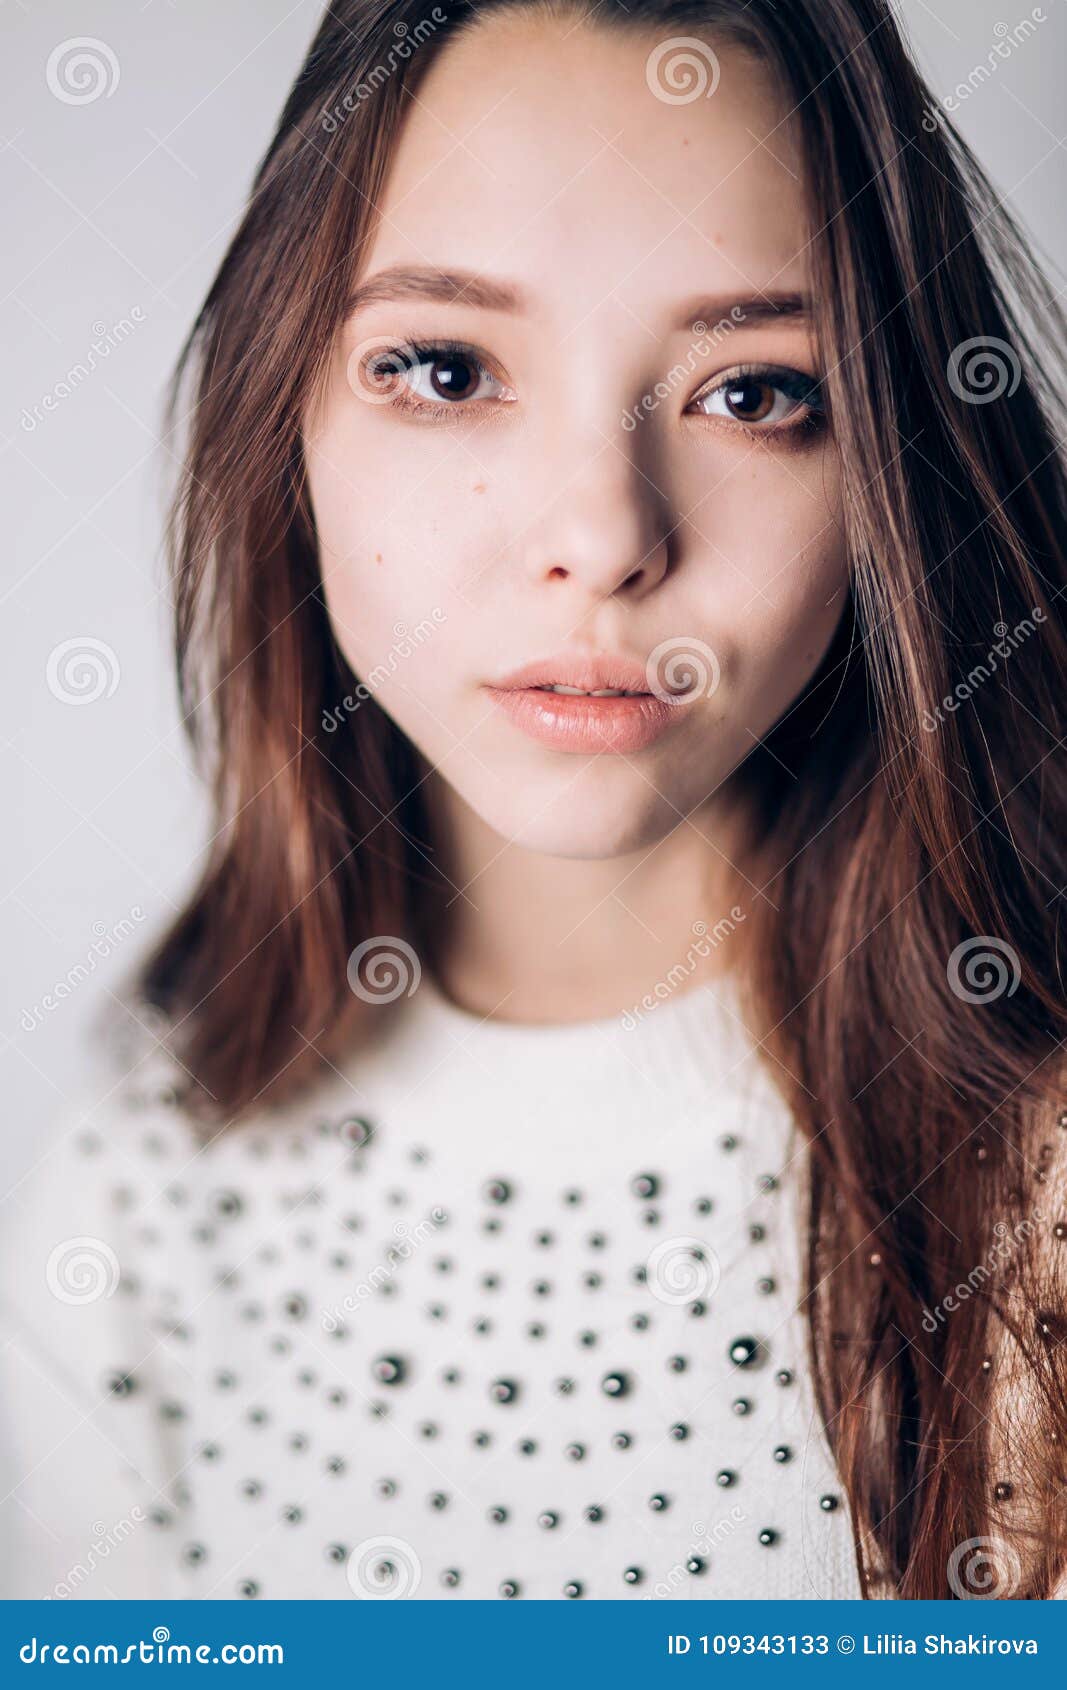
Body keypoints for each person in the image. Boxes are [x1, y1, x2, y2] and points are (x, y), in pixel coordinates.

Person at [3, 0, 1066, 1602]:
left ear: (891, 467)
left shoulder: (1035, 1188)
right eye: (445, 367)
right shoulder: (138, 1197)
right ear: (280, 418)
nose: (604, 531)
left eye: (755, 390)